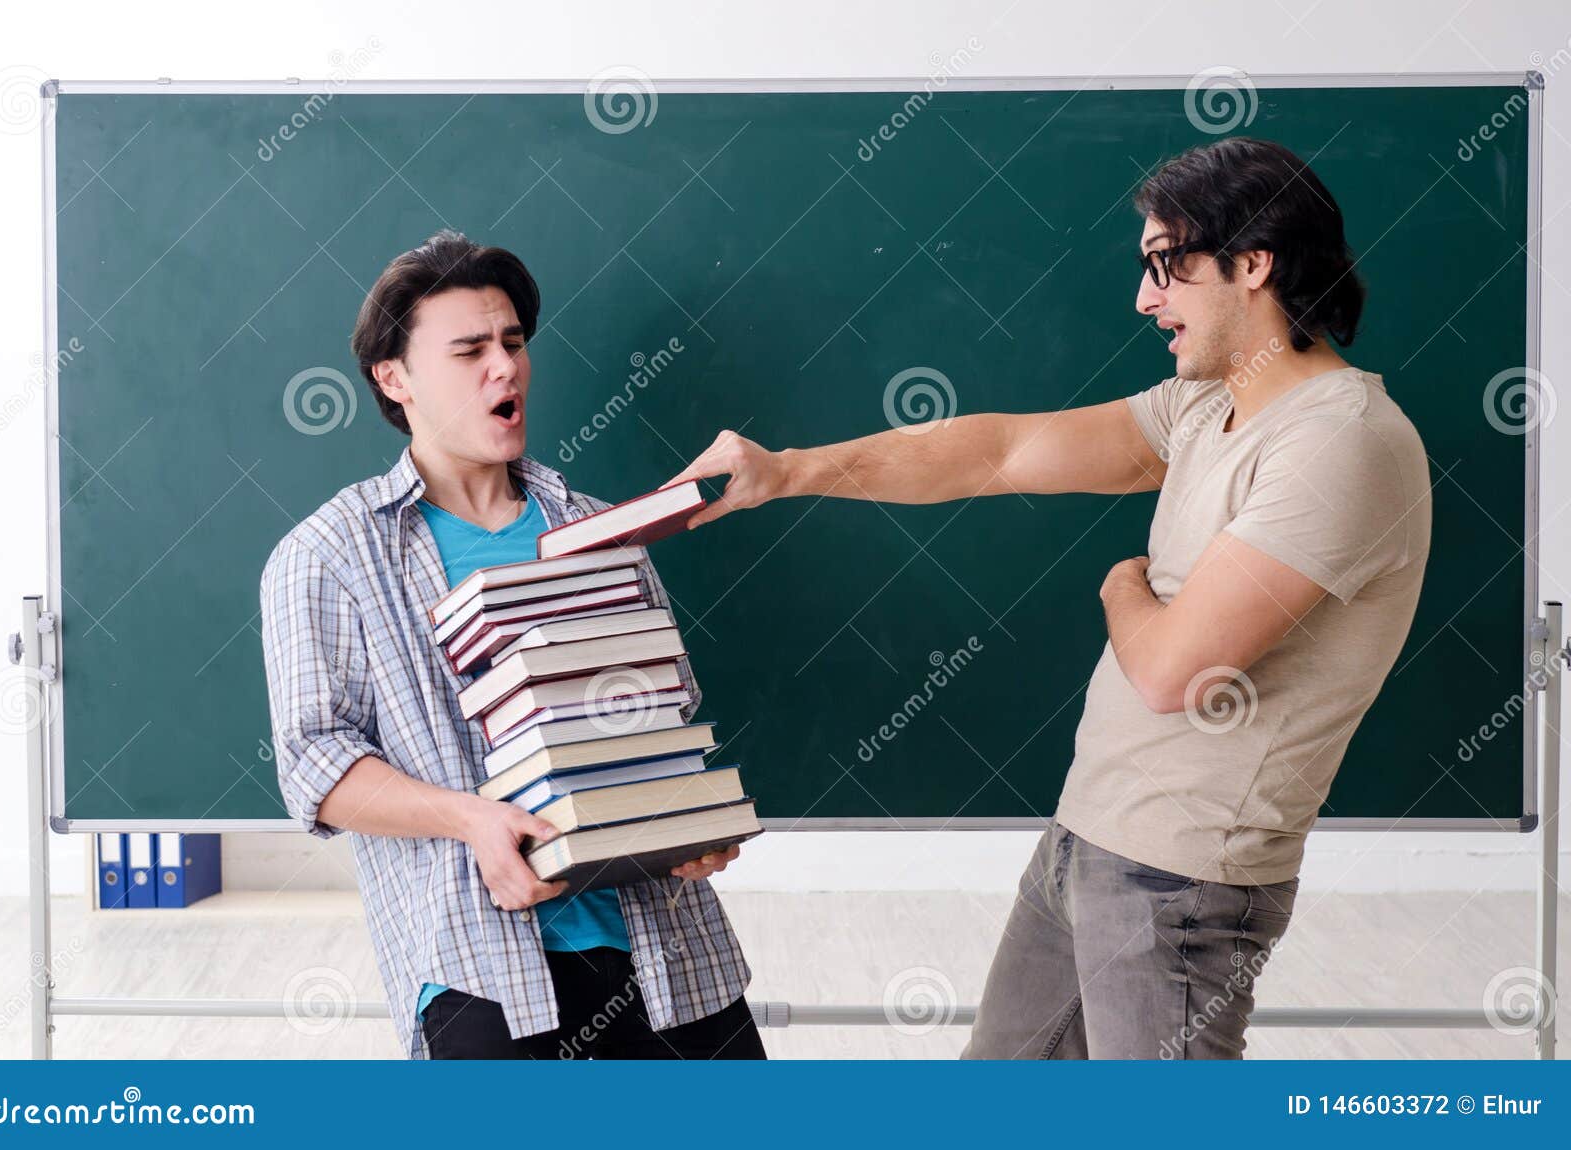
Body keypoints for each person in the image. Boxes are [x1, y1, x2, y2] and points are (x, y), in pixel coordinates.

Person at [665, 137, 1431, 1059]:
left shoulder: (1338, 444)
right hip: (1087, 843)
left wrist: (1123, 583)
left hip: (1184, 882)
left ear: (1254, 264)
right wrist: (789, 471)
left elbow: (1171, 670)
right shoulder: (1205, 407)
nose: (1144, 299)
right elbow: (1000, 452)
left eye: (1167, 268)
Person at [259, 229, 764, 1060]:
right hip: (482, 972)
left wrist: (690, 817)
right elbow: (316, 761)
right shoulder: (331, 555)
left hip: (670, 953)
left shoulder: (600, 529)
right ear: (395, 378)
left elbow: (668, 709)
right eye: (469, 351)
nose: (505, 368)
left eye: (514, 343)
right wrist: (472, 821)